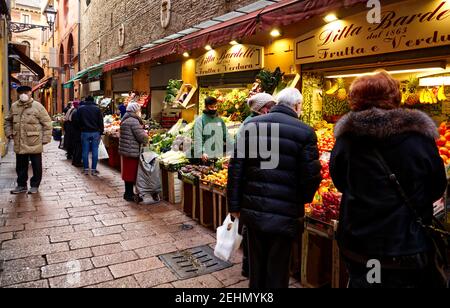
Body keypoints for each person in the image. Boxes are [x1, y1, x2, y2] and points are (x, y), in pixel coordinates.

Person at [329, 71, 447, 288]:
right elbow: (437, 186)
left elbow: (339, 183)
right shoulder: (419, 137)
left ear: (355, 100)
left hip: (359, 244)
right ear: (395, 97)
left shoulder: (347, 140)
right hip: (407, 246)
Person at [227, 88, 322, 288]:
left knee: (256, 265)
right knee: (278, 269)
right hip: (285, 213)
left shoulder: (251, 125)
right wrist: (301, 200)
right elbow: (311, 176)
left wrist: (234, 205)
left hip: (253, 210)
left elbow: (236, 168)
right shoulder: (305, 131)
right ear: (297, 106)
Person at [238, 92, 276, 278]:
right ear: (263, 109)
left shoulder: (253, 123)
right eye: (270, 107)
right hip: (254, 184)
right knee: (251, 229)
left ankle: (251, 266)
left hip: (254, 184)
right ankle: (248, 266)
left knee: (252, 227)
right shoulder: (251, 125)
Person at [4, 86, 52, 194]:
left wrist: (46, 138)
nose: (23, 94)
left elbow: (47, 123)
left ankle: (35, 185)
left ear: (30, 93)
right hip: (19, 141)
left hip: (34, 141)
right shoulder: (14, 106)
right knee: (20, 166)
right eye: (21, 92)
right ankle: (21, 185)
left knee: (36, 166)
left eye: (25, 92)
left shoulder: (37, 106)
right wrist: (9, 132)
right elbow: (8, 121)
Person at [118, 102, 149, 202]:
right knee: (131, 173)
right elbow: (142, 137)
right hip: (131, 151)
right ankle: (129, 195)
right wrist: (146, 136)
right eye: (139, 110)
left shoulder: (125, 119)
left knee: (127, 173)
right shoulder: (133, 121)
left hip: (125, 150)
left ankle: (128, 193)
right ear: (135, 111)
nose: (140, 112)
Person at [193, 96, 232, 163]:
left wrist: (236, 145)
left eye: (215, 106)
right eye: (211, 107)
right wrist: (201, 152)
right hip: (206, 157)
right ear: (206, 107)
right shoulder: (200, 120)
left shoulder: (219, 120)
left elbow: (226, 136)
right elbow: (198, 138)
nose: (214, 109)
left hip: (219, 156)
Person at [77, 96, 104, 175]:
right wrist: (101, 131)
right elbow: (100, 121)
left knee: (85, 151)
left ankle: (85, 169)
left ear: (85, 100)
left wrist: (81, 128)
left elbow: (78, 120)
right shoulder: (97, 109)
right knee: (95, 151)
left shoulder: (80, 109)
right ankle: (93, 170)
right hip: (95, 132)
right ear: (93, 100)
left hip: (85, 132)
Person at [70, 101, 83, 167]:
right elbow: (77, 123)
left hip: (74, 132)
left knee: (76, 147)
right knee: (78, 147)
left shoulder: (74, 111)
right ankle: (77, 162)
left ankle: (75, 161)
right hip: (77, 132)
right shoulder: (76, 112)